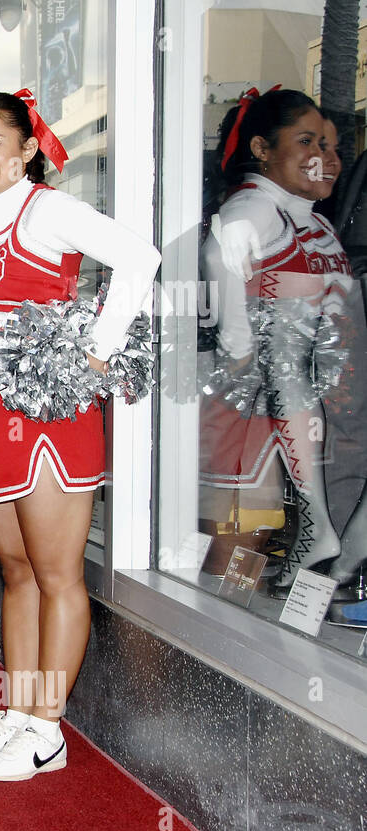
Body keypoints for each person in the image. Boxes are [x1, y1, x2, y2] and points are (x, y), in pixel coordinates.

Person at [0, 89, 160, 781]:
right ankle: (21, 708)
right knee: (16, 571)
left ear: (28, 148)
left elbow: (141, 258)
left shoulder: (49, 210)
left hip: (44, 417)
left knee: (57, 571)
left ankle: (49, 727)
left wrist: (95, 351)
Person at [201, 90, 352, 588]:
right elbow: (220, 252)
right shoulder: (256, 204)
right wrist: (239, 346)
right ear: (263, 148)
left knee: (265, 539)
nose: (325, 159)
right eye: (307, 141)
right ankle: (214, 645)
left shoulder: (315, 220)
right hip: (253, 409)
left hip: (302, 409)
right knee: (244, 536)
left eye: (330, 146)